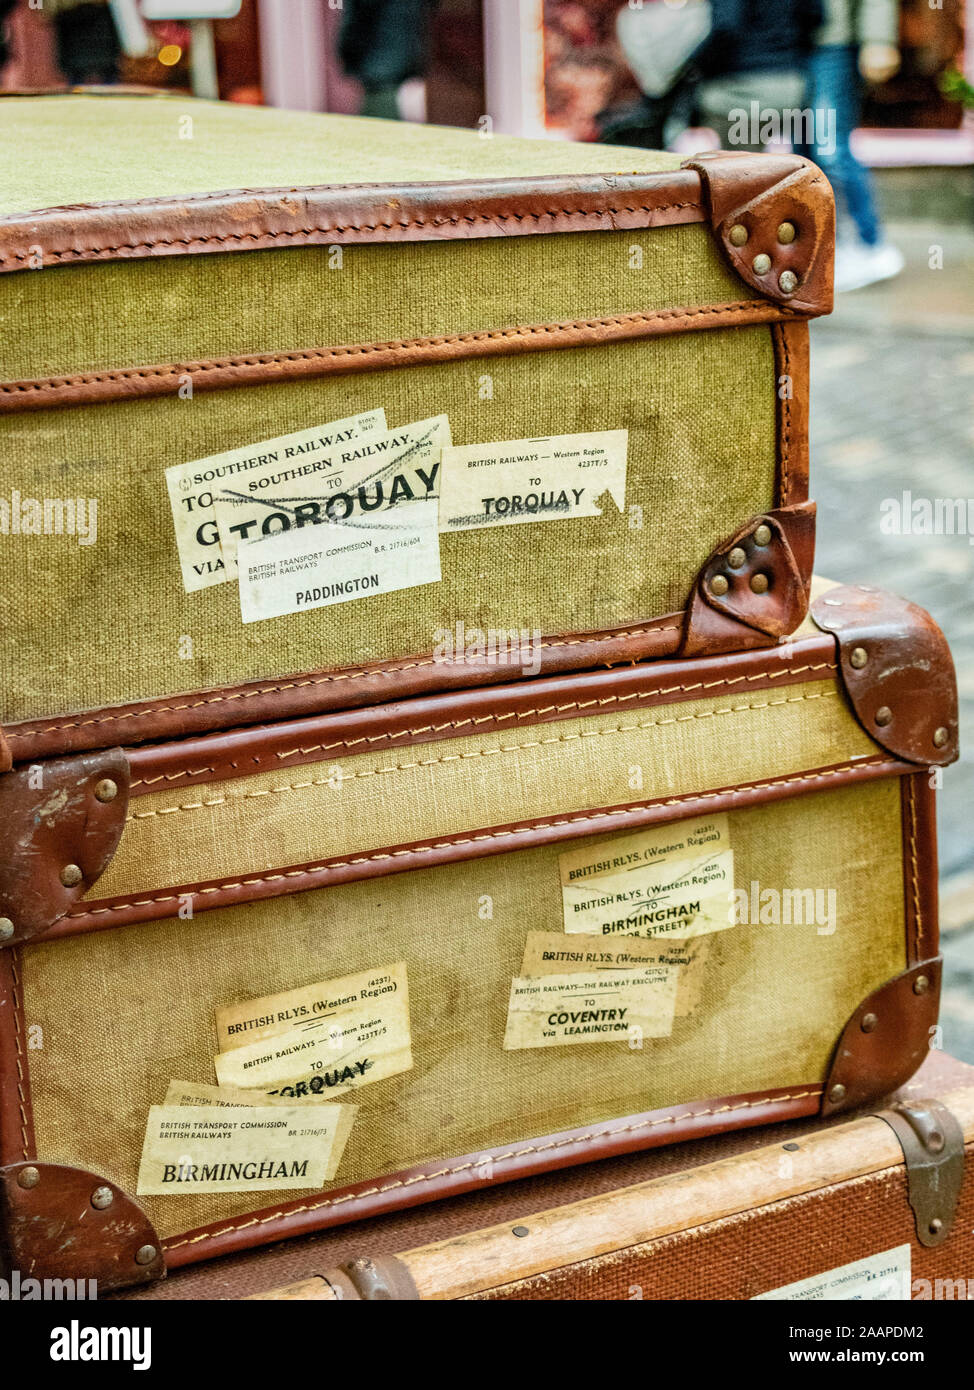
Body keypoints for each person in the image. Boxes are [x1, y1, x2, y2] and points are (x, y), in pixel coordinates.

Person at [802, 0, 904, 291]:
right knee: (805, 151)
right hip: (796, 44)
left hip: (834, 42)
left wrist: (879, 40)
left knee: (831, 148)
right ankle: (830, 249)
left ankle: (870, 244)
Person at [694, 0, 824, 153]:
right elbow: (815, 15)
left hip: (740, 90)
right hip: (789, 84)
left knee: (740, 168)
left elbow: (725, 27)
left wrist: (697, 65)